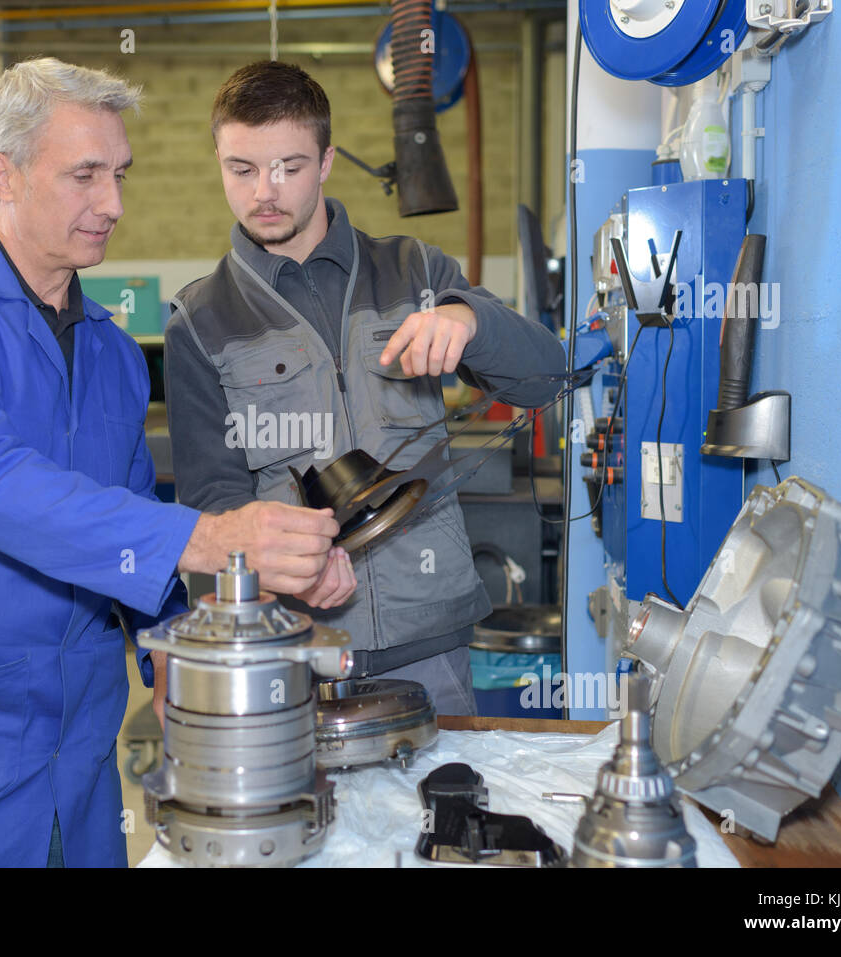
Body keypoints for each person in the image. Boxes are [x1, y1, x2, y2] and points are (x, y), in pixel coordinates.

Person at [0, 58, 344, 868]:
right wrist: (204, 536)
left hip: (81, 760)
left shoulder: (110, 350)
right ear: (2, 174)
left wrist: (183, 663)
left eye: (119, 174)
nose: (113, 204)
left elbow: (128, 530)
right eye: (84, 175)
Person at [164, 61, 566, 716]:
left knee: (445, 817)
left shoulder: (413, 271)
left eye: (289, 167)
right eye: (241, 169)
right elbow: (212, 502)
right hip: (295, 651)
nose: (265, 191)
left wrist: (470, 322)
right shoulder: (198, 321)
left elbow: (547, 375)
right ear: (218, 158)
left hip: (431, 647)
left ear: (325, 161)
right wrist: (282, 567)